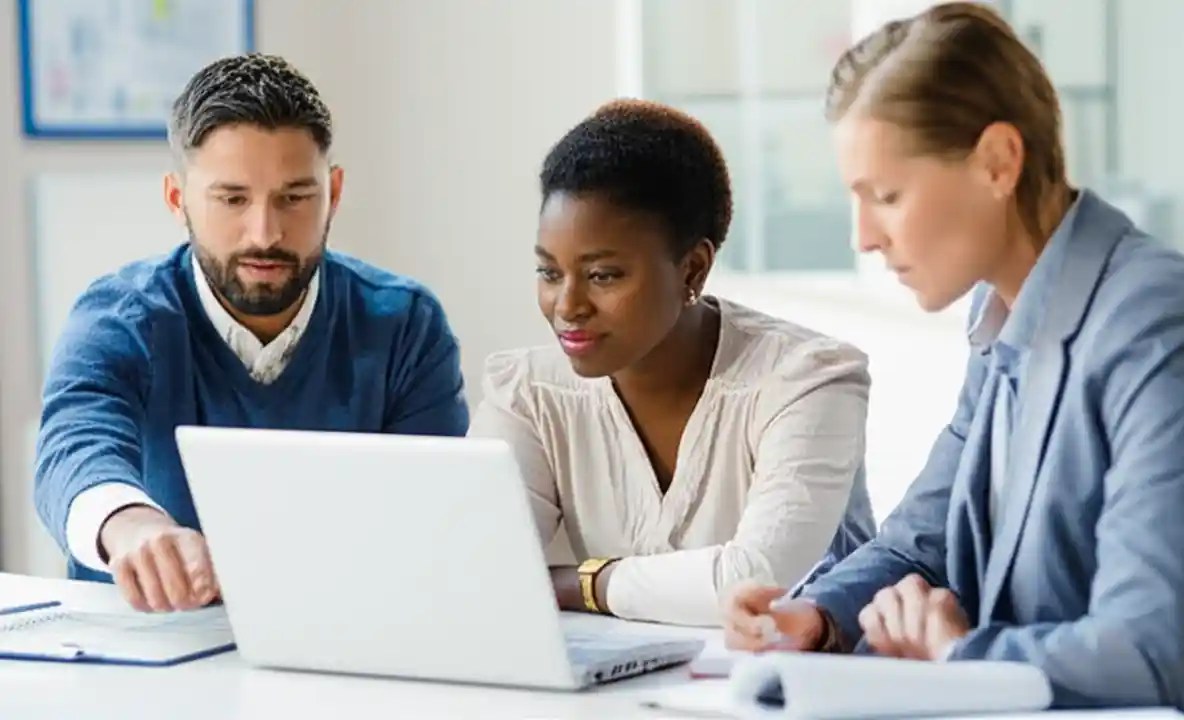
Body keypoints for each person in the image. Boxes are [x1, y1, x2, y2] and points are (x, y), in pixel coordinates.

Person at [721, 4, 1184, 717]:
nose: (863, 237)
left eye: (886, 196)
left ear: (998, 162)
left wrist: (958, 656)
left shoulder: (1163, 334)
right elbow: (922, 544)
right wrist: (815, 617)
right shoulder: (1005, 315)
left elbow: (1143, 650)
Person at [34, 54, 469, 612]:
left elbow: (427, 520)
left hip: (340, 639)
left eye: (294, 197)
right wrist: (130, 524)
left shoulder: (405, 326)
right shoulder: (118, 318)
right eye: (232, 199)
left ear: (334, 193)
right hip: (145, 650)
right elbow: (72, 445)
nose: (265, 233)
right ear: (177, 199)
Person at [469, 99, 875, 627]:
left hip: (802, 672)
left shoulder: (808, 380)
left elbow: (755, 582)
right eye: (549, 273)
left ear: (693, 269)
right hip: (627, 677)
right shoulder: (527, 394)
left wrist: (581, 582)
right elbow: (475, 565)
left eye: (603, 275)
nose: (567, 306)